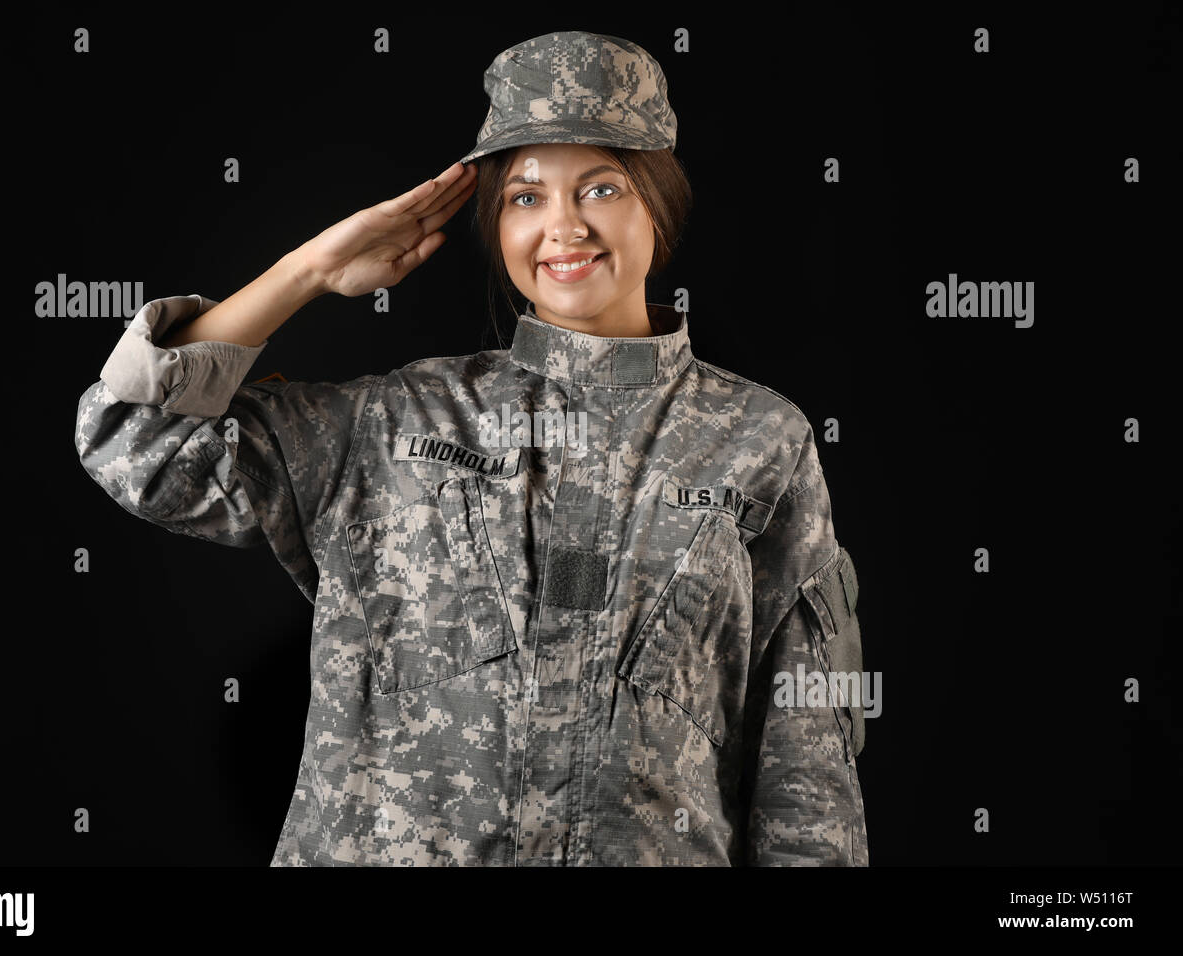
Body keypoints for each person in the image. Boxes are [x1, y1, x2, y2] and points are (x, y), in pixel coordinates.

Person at [75, 31, 870, 865]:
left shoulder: (760, 440)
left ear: (659, 205)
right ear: (494, 223)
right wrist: (305, 272)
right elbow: (136, 440)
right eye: (525, 197)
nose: (563, 226)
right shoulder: (395, 421)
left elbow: (807, 778)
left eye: (601, 187)